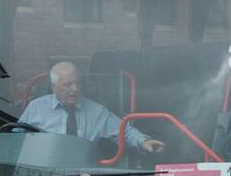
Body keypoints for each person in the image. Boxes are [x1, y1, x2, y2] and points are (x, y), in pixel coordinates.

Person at [20, 61, 165, 154]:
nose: (75, 89)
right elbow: (15, 138)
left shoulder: (97, 112)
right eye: (67, 84)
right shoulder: (35, 108)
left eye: (78, 83)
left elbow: (124, 131)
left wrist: (143, 141)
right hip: (43, 175)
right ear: (53, 87)